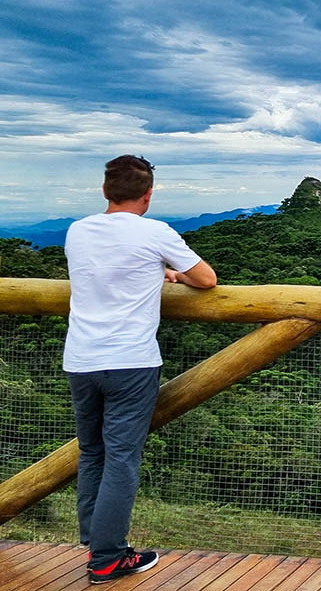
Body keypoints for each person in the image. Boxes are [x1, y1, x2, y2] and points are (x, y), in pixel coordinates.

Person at [63, 155, 217, 584]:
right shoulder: (155, 232)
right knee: (122, 459)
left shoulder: (78, 231)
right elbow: (207, 279)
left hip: (80, 359)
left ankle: (95, 542)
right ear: (148, 195)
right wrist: (172, 275)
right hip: (130, 362)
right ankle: (108, 557)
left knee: (93, 451)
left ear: (105, 191)